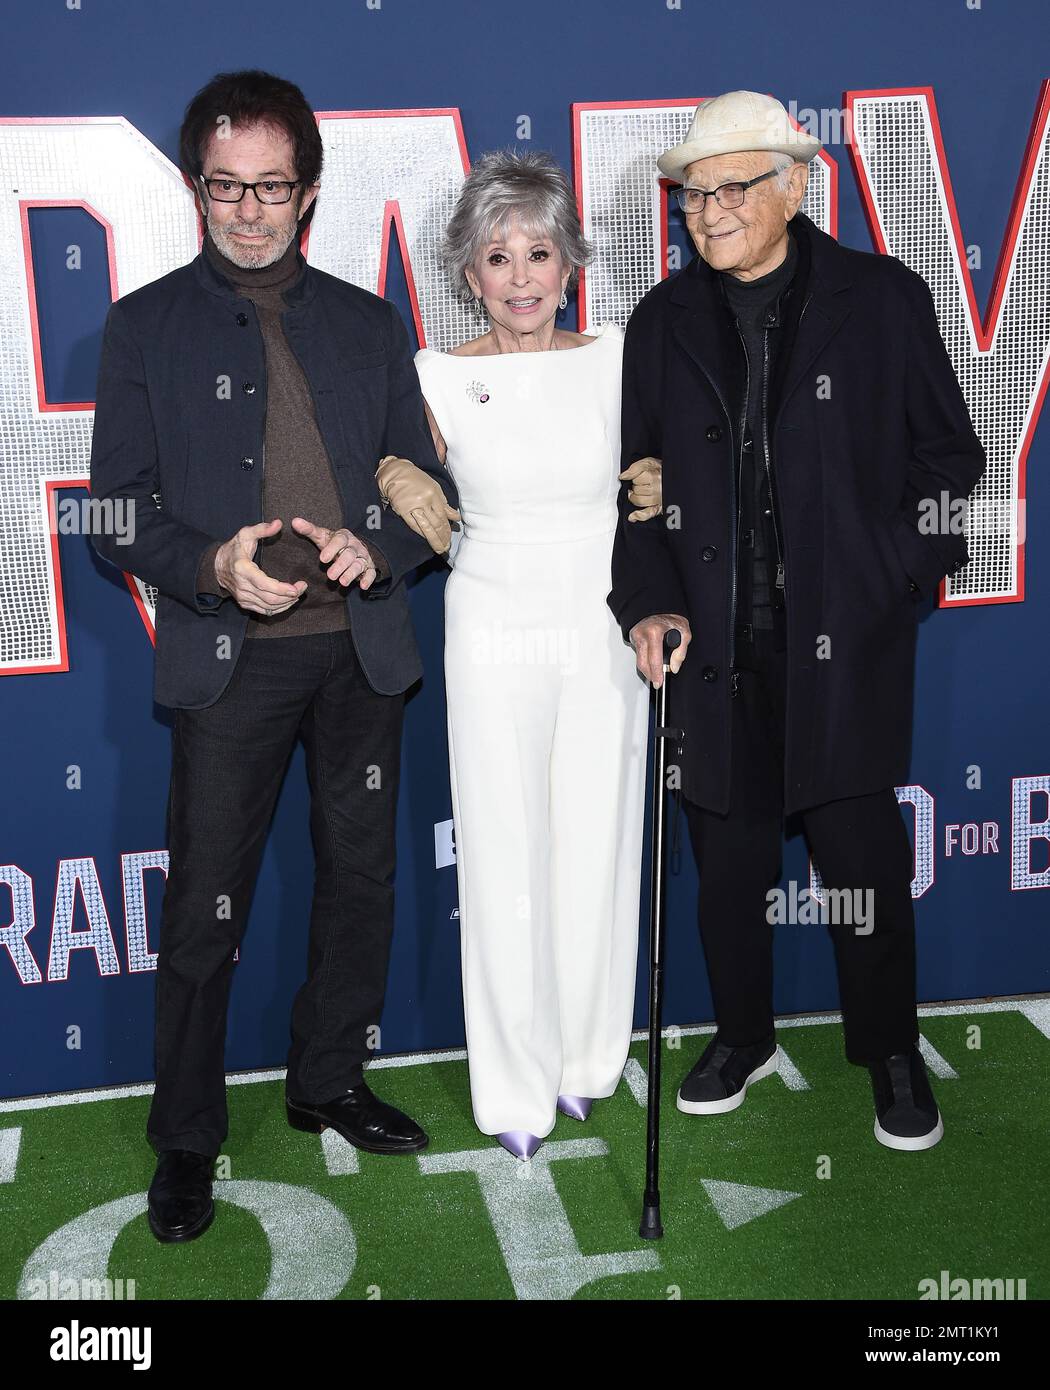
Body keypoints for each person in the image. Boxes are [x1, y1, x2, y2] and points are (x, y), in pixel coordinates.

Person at [89, 69, 458, 1243]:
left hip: (360, 658)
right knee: (204, 909)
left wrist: (382, 542)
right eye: (226, 186)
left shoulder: (367, 321)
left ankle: (327, 1081)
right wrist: (208, 565)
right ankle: (187, 1139)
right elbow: (109, 516)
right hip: (229, 665)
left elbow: (433, 495)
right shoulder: (145, 324)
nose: (248, 210)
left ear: (309, 191)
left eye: (272, 187)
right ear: (198, 185)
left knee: (361, 884)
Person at [609, 91, 986, 1151]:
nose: (710, 211)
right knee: (727, 872)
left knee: (863, 867)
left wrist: (895, 580)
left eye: (734, 188)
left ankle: (892, 1050)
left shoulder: (882, 297)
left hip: (846, 648)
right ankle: (741, 1034)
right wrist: (649, 602)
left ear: (795, 185)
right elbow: (630, 490)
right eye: (695, 194)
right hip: (715, 651)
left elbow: (952, 468)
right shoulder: (663, 320)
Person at [375, 150, 662, 1159]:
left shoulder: (616, 357)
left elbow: (669, 466)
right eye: (499, 257)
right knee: (503, 851)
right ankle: (513, 1085)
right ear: (469, 274)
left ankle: (588, 1058)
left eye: (541, 251)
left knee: (596, 838)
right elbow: (365, 461)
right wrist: (388, 465)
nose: (523, 275)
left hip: (601, 618)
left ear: (570, 261)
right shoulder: (434, 376)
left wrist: (663, 479)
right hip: (492, 620)